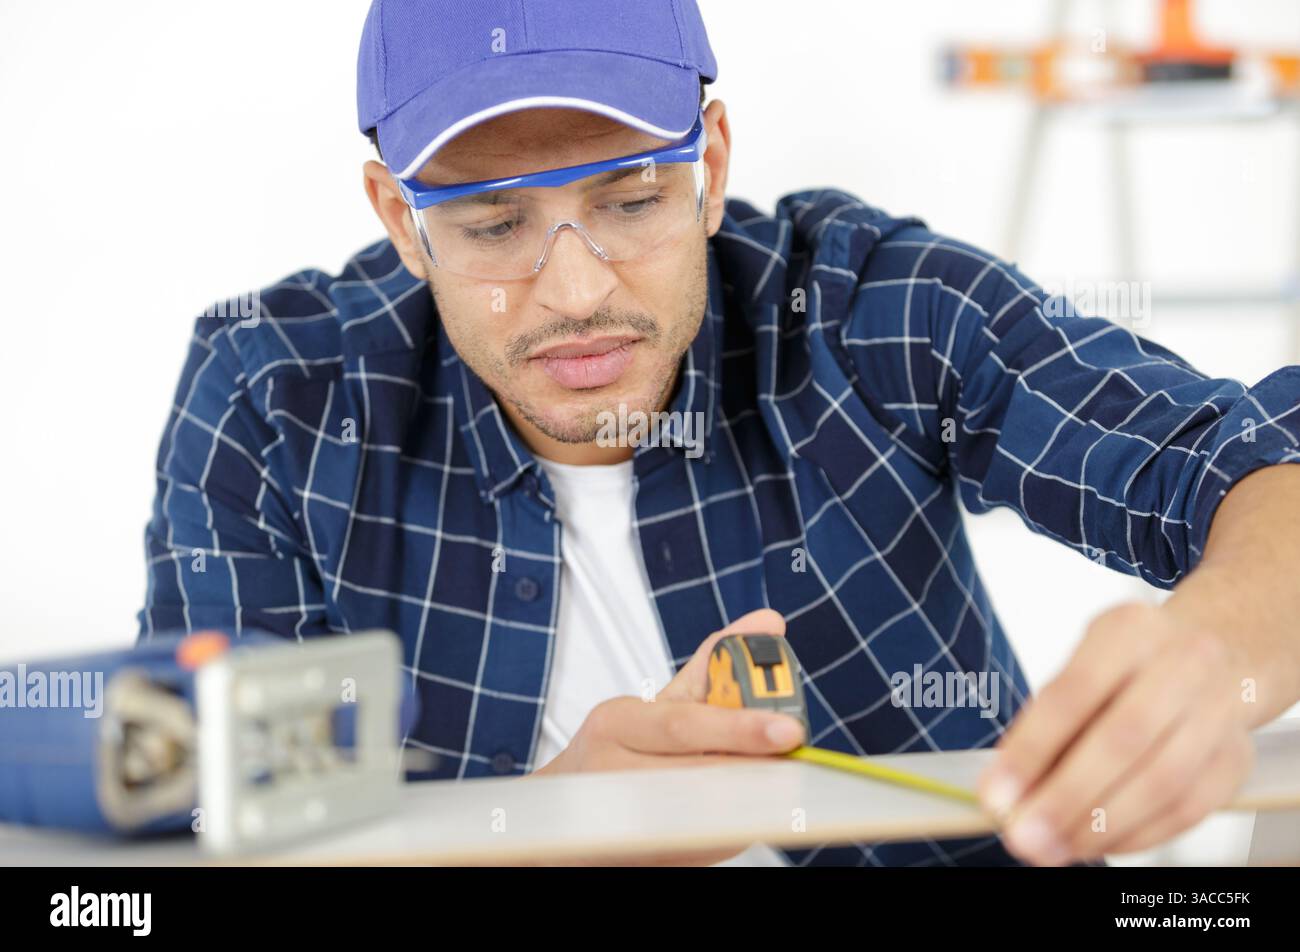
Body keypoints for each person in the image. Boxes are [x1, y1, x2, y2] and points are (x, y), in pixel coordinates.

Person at [140, 0, 1300, 866]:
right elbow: (213, 826)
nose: (574, 290)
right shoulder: (274, 396)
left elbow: (1259, 464)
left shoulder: (872, 307)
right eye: (495, 225)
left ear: (713, 165)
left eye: (632, 200)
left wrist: (1214, 651)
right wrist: (549, 832)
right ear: (399, 218)